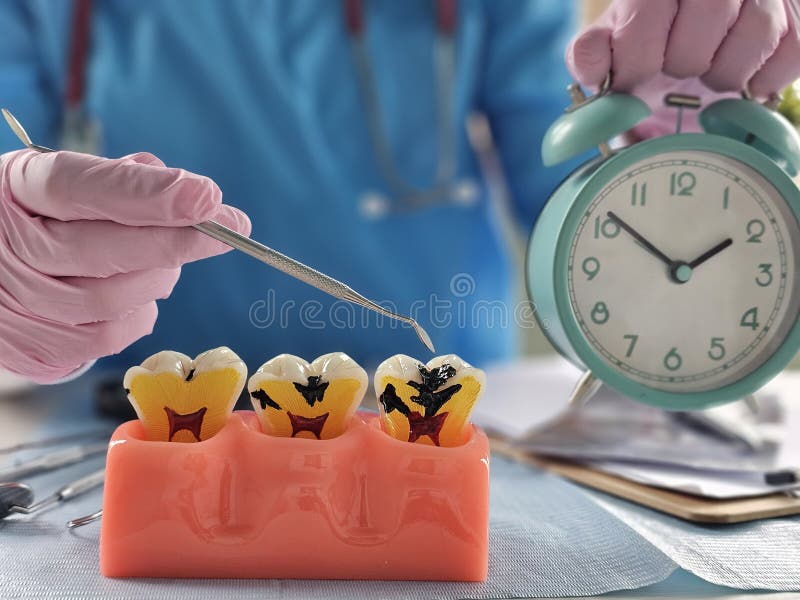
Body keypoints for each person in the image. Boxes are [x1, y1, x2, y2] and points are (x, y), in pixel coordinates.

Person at [0, 0, 798, 383]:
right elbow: (20, 170)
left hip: (440, 404)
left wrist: (667, 170)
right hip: (138, 420)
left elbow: (575, 197)